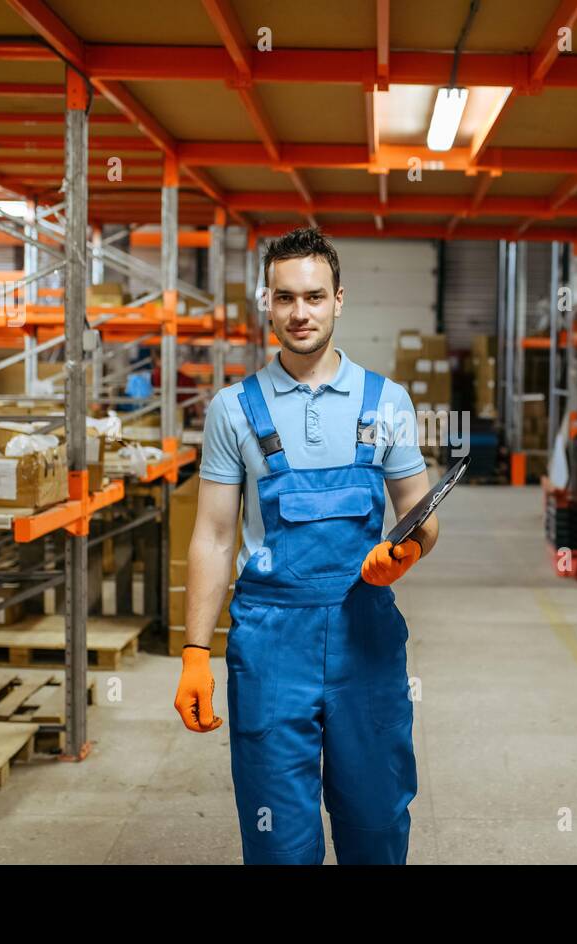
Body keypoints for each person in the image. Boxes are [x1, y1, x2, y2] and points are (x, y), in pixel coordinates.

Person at [173, 227, 437, 865]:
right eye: (285, 298)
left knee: (376, 826)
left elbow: (420, 514)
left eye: (314, 297)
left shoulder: (387, 402)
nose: (300, 313)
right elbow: (212, 534)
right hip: (269, 647)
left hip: (364, 637)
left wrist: (405, 551)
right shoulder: (233, 409)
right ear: (267, 302)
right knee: (278, 843)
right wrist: (194, 651)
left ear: (339, 299)